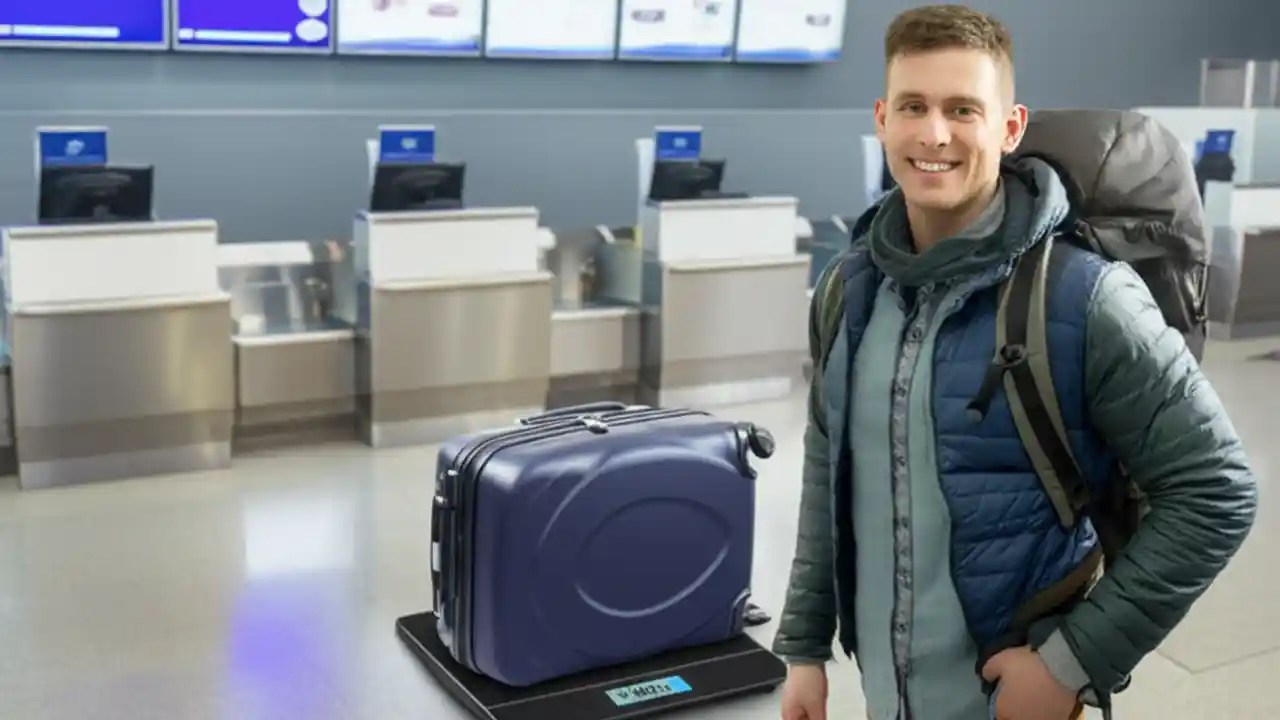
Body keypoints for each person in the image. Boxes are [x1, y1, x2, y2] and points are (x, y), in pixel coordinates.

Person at [772, 5, 1258, 720]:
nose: (934, 133)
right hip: (884, 695)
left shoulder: (1084, 296)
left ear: (1009, 128)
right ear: (883, 119)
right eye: (914, 106)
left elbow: (1217, 491)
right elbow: (827, 469)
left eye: (963, 108)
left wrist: (1069, 666)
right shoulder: (849, 289)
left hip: (1014, 701)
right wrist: (805, 652)